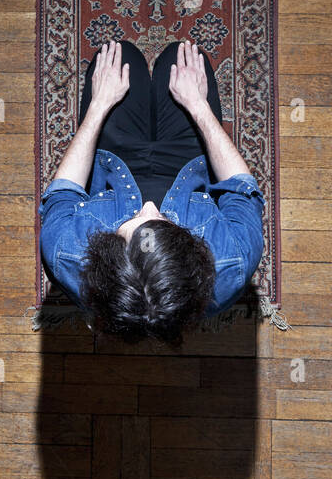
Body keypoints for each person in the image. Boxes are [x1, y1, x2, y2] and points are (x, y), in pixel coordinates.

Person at [38, 38, 265, 345]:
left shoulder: (67, 254)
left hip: (112, 160)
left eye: (134, 224)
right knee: (180, 56)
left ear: (105, 250)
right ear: (194, 249)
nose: (147, 206)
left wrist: (99, 105)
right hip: (189, 163)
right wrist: (197, 105)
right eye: (161, 221)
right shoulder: (233, 261)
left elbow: (64, 191)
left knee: (121, 51)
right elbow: (240, 187)